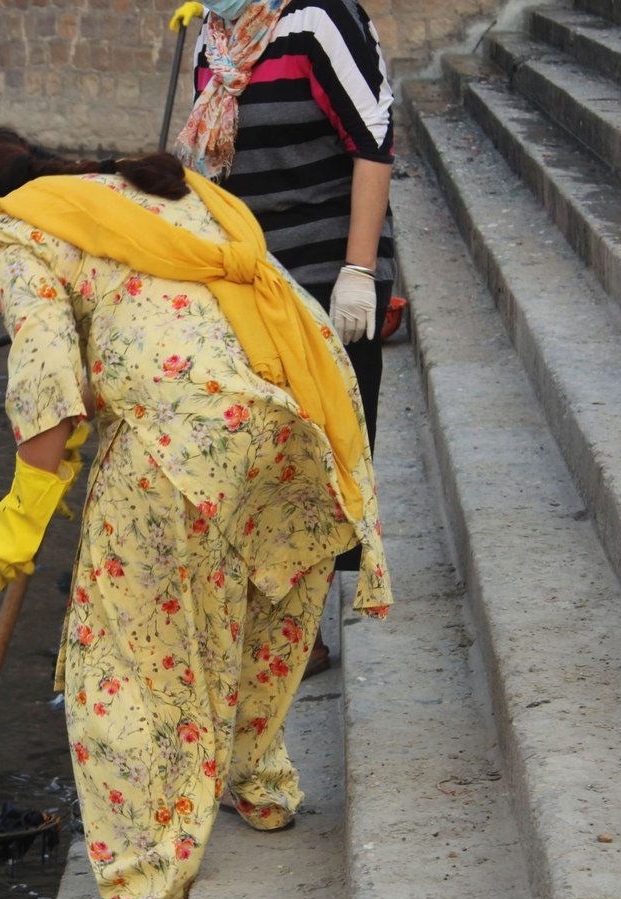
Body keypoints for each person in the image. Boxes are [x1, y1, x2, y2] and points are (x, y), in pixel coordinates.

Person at [0, 128, 390, 899]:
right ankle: (256, 784)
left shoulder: (14, 229)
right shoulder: (152, 189)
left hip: (178, 436)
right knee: (266, 604)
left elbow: (49, 390)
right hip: (297, 410)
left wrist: (23, 510)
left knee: (126, 666)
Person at [172, 0, 397, 675]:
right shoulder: (212, 39)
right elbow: (215, 172)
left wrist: (358, 270)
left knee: (319, 462)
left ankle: (300, 638)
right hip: (255, 281)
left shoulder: (317, 20)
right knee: (263, 461)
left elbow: (374, 137)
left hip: (332, 276)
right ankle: (275, 628)